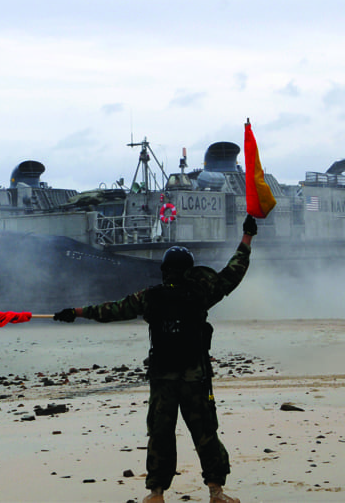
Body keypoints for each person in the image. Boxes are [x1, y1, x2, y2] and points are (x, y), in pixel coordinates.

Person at [54, 214, 258, 503]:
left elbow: (112, 310)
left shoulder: (150, 297)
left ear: (164, 271)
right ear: (188, 270)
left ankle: (156, 493)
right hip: (195, 376)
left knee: (161, 434)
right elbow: (233, 273)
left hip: (162, 378)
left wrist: (74, 312)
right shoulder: (202, 292)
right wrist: (247, 238)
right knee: (205, 433)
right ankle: (216, 492)